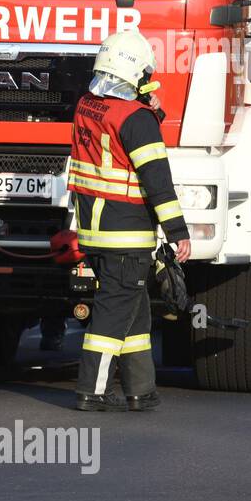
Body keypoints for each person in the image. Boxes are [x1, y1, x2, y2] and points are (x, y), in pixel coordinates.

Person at [68, 30, 191, 412]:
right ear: (135, 73)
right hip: (126, 234)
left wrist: (147, 110)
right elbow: (157, 180)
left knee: (136, 310)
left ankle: (140, 388)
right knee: (112, 312)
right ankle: (93, 388)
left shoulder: (87, 105)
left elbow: (118, 130)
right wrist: (177, 232)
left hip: (95, 232)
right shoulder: (137, 119)